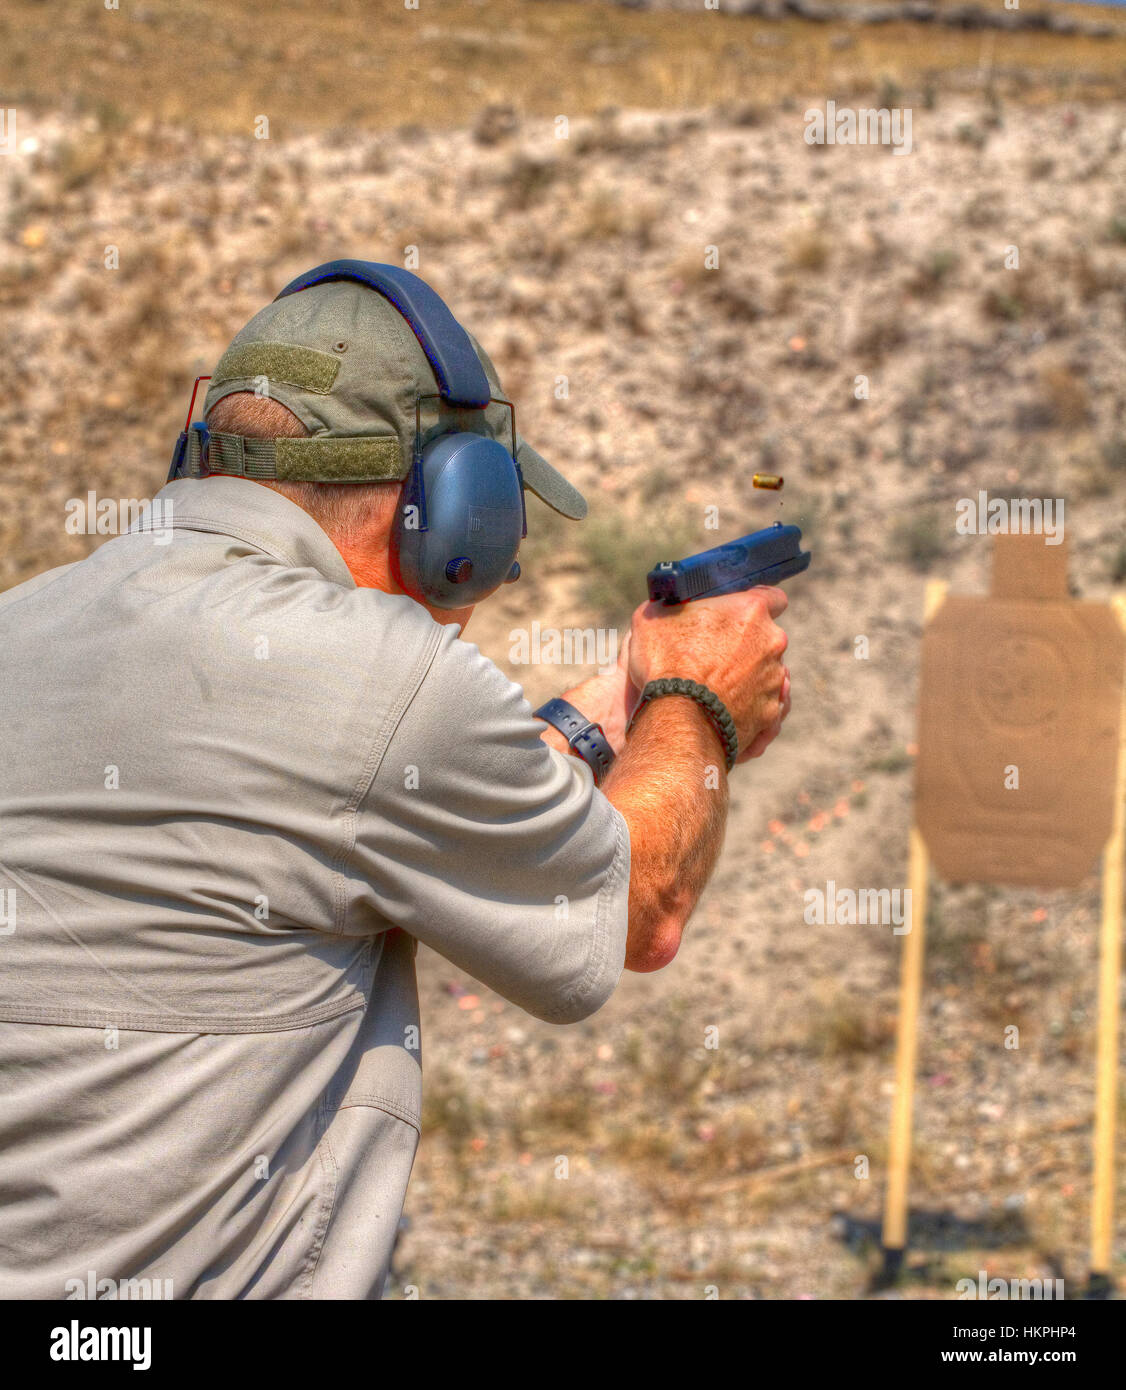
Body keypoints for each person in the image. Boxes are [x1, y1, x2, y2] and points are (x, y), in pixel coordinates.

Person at [0, 265, 790, 1299]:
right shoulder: (380, 675)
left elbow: (354, 801)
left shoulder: (27, 626)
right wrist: (699, 697)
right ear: (452, 514)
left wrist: (611, 712)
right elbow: (637, 910)